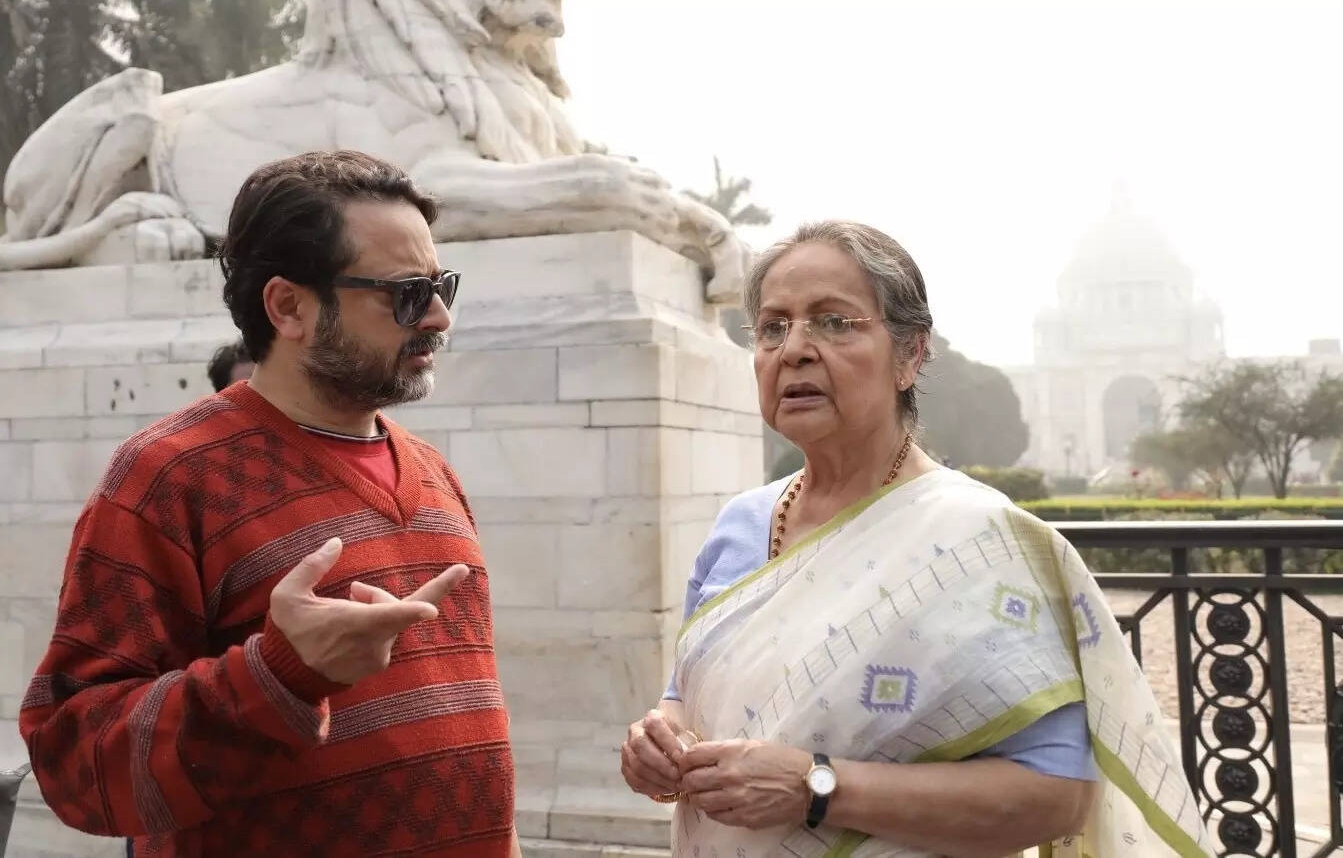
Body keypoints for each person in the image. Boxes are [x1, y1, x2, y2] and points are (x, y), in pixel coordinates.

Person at [620, 221, 1211, 858]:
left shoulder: (980, 543)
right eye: (772, 326)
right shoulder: (739, 526)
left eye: (834, 322)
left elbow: (1057, 797)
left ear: (910, 356)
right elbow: (686, 694)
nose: (793, 348)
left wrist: (817, 788)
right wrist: (662, 738)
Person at [21, 150, 520, 858]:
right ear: (289, 306)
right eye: (407, 293)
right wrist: (274, 676)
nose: (438, 316)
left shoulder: (434, 473)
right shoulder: (166, 477)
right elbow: (75, 760)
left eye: (443, 286)